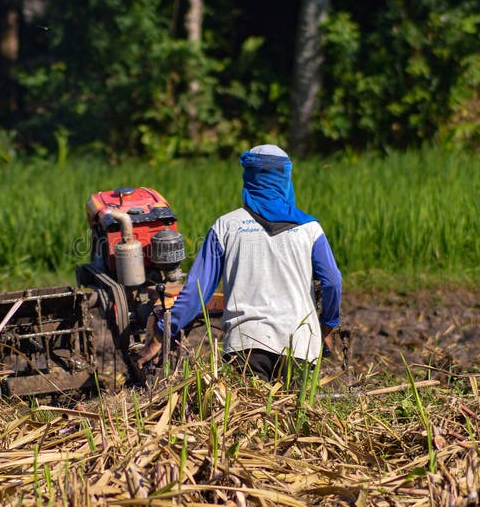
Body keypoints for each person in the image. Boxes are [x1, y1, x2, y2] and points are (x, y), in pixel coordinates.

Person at [138, 144, 342, 381]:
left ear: (249, 179)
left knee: (250, 417)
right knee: (298, 416)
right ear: (286, 178)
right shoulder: (310, 229)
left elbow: (197, 293)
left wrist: (161, 334)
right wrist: (327, 325)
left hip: (245, 347)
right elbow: (332, 282)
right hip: (300, 346)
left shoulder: (226, 227)